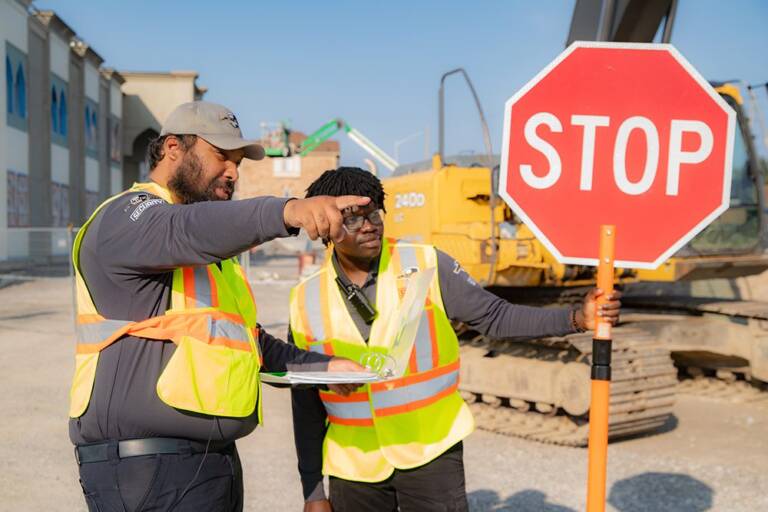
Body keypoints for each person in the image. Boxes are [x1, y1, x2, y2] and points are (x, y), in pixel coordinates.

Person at [70, 102, 367, 511]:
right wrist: (288, 210)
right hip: (149, 470)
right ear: (173, 148)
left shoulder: (206, 252)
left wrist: (324, 368)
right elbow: (184, 227)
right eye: (221, 156)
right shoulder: (129, 217)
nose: (233, 172)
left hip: (210, 463)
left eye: (239, 162)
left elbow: (246, 342)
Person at [289, 167, 621, 512]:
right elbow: (306, 406)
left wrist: (575, 319)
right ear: (325, 226)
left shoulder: (426, 263)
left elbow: (496, 316)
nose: (369, 225)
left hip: (431, 452)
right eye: (353, 219)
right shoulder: (304, 299)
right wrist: (313, 491)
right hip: (354, 465)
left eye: (373, 213)